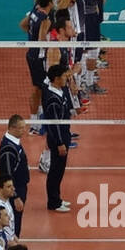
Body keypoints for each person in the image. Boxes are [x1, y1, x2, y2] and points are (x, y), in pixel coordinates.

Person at [40, 38, 74, 212]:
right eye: (63, 77)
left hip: (64, 134)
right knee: (55, 170)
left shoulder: (57, 90)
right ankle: (53, 202)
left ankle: (57, 198)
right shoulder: (52, 99)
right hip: (58, 138)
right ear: (55, 79)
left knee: (59, 170)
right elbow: (53, 125)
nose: (65, 78)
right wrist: (60, 143)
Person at [0, 113, 31, 248]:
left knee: (16, 223)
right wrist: (15, 196)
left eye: (24, 127)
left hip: (19, 187)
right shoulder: (8, 149)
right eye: (20, 128)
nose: (24, 130)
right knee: (12, 225)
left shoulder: (14, 143)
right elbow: (6, 175)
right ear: (11, 128)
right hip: (14, 191)